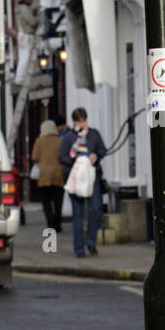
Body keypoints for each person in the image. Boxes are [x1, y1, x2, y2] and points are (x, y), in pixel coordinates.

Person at [58, 106, 106, 256]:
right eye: (79, 122)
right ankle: (79, 249)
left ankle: (91, 242)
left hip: (92, 176)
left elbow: (102, 150)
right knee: (78, 214)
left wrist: (95, 157)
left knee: (96, 208)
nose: (82, 125)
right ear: (74, 122)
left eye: (84, 121)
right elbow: (61, 156)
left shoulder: (94, 134)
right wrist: (74, 160)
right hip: (74, 177)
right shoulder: (69, 137)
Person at [30, 119, 64, 233]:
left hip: (44, 176)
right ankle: (58, 224)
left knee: (46, 202)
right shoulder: (60, 141)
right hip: (58, 175)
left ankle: (50, 224)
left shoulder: (39, 141)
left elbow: (34, 157)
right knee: (58, 202)